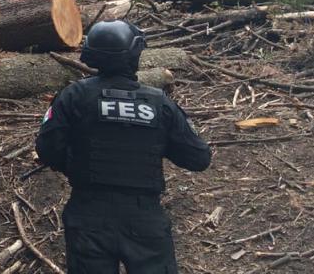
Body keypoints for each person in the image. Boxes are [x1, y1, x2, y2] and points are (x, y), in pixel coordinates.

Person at [36, 20, 212, 274]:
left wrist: (75, 165)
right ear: (134, 54)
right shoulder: (158, 103)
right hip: (143, 217)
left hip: (88, 213)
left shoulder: (73, 96)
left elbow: (47, 148)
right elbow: (198, 158)